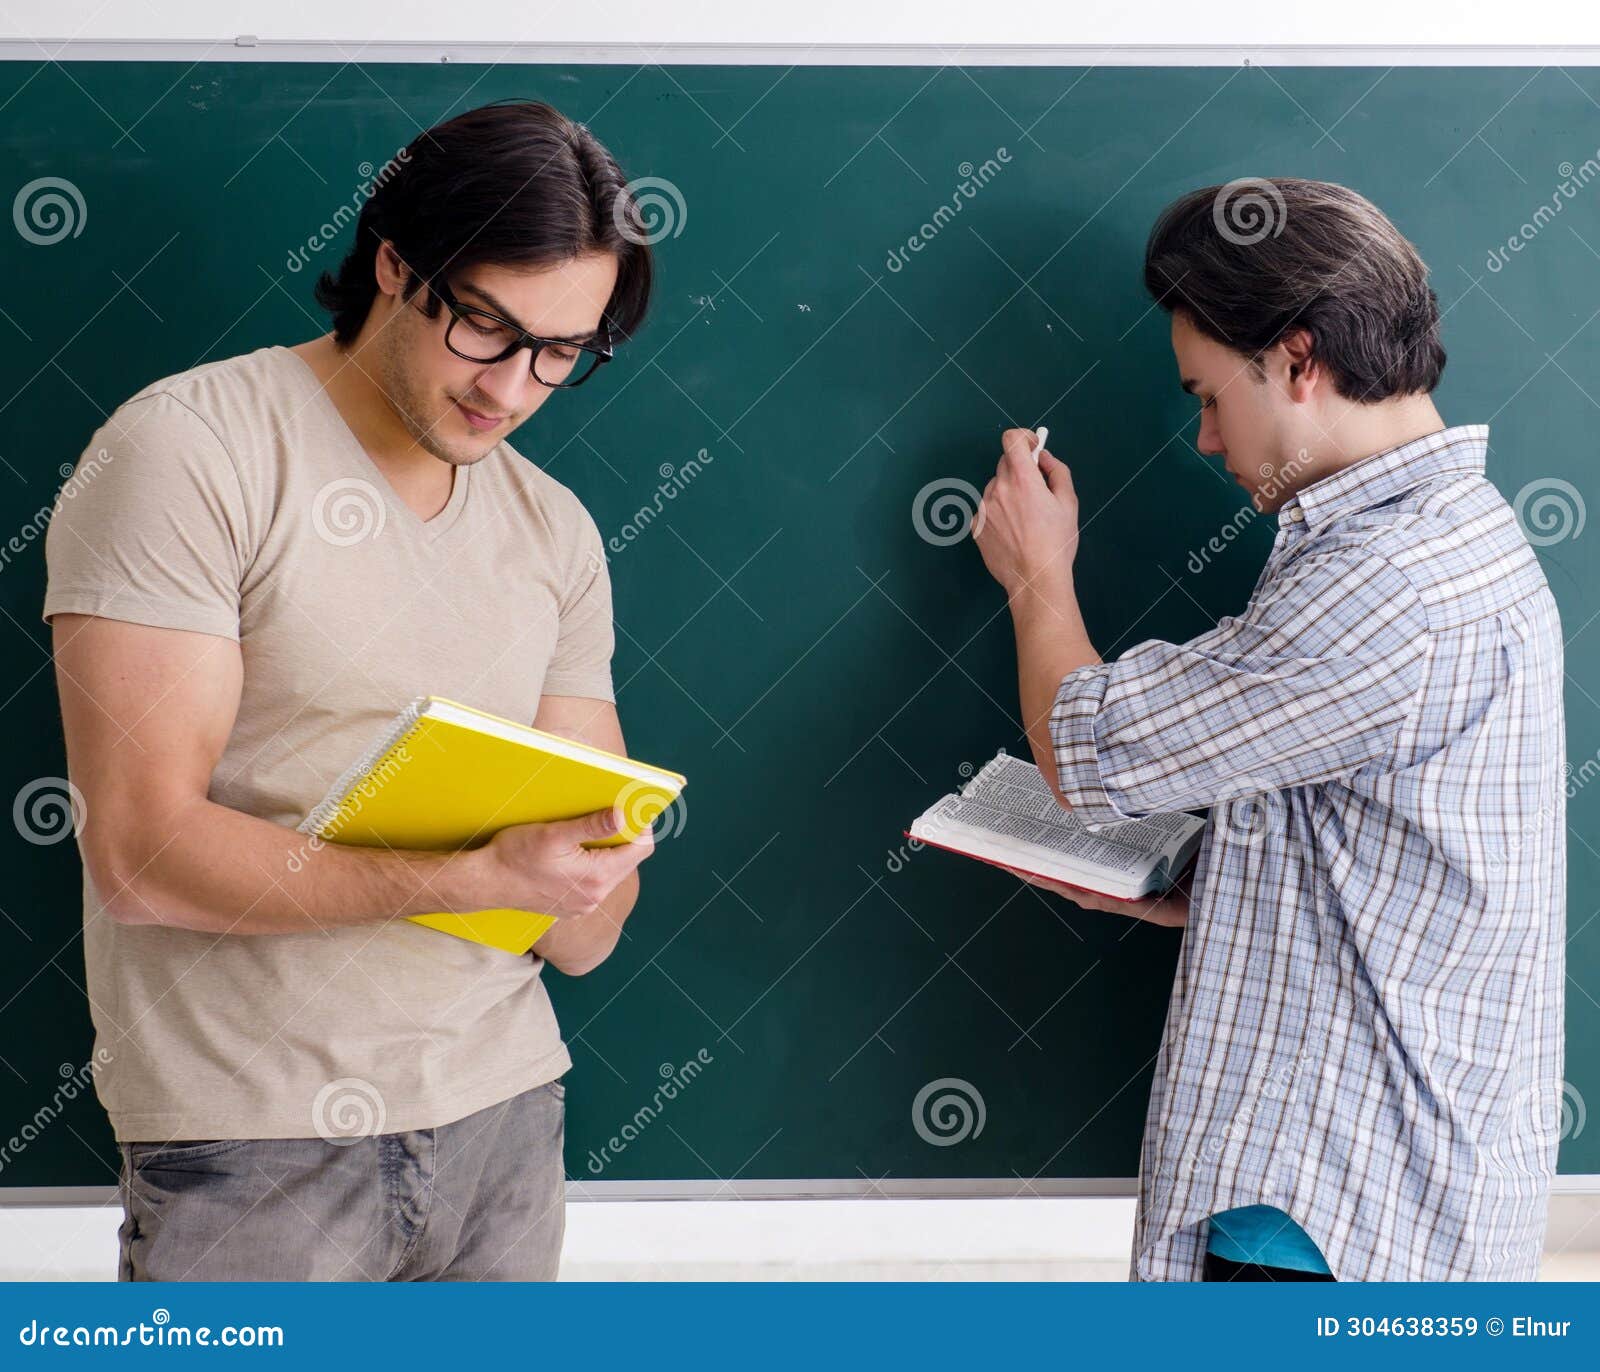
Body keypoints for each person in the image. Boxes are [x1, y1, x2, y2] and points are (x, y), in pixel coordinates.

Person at [43, 99, 657, 1281]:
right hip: (253, 1143)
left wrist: (576, 873)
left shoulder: (555, 531)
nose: (514, 389)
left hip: (507, 1123)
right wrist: (472, 875)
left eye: (561, 354)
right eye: (486, 326)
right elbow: (139, 855)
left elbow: (588, 935)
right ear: (393, 263)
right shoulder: (189, 453)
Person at [972, 178, 1565, 1281]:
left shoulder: (1389, 583)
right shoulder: (1448, 538)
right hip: (1372, 1195)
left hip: (1327, 1213)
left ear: (1297, 360)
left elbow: (1090, 750)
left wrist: (1035, 577)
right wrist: (1204, 874)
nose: (1200, 438)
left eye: (1206, 395)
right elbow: (1389, 841)